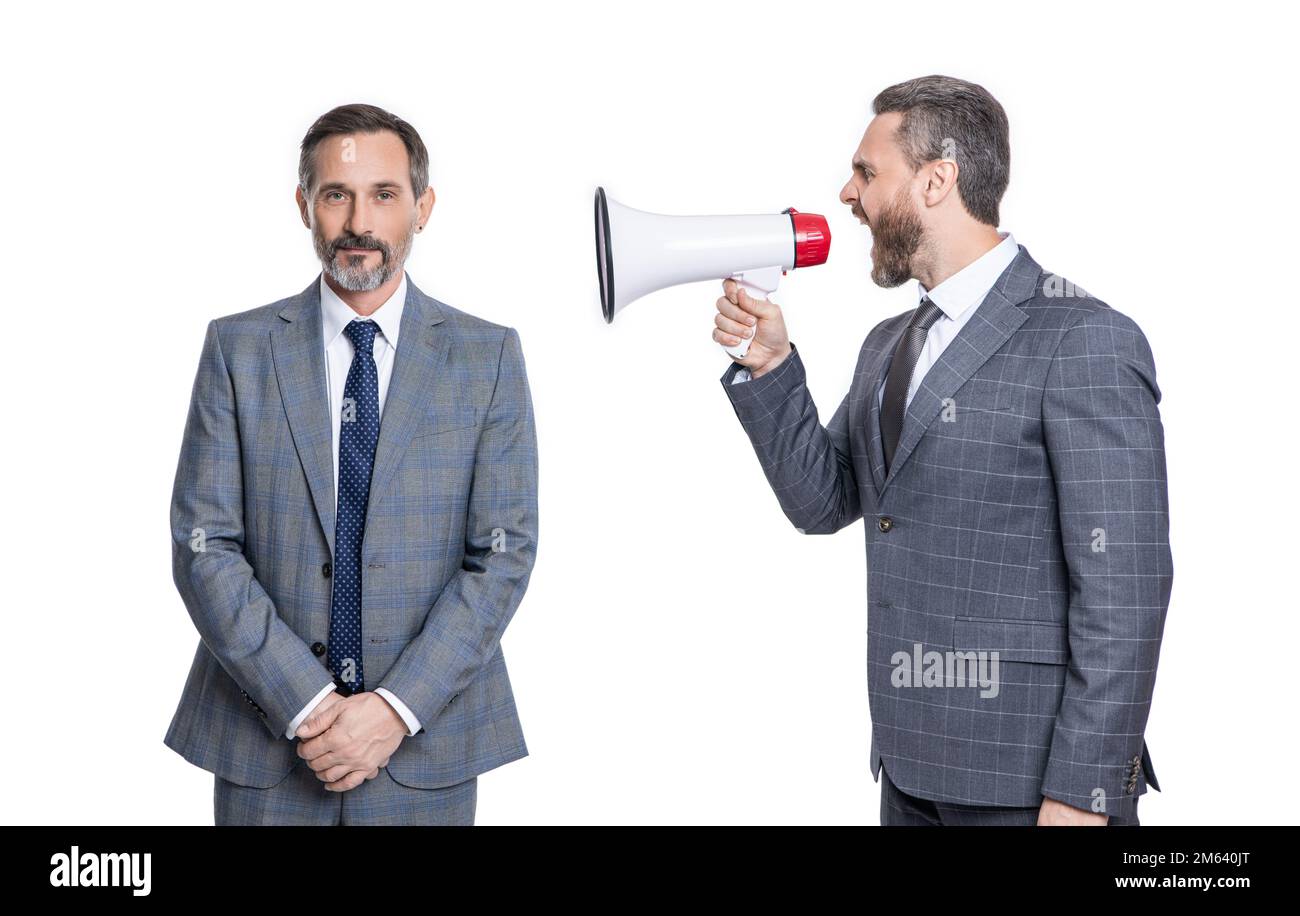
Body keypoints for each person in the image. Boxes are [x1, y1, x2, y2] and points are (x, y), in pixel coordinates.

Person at [714, 75, 1170, 826]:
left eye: (866, 173)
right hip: (909, 768)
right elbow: (823, 501)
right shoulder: (888, 344)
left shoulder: (1082, 338)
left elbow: (1127, 586)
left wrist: (1083, 794)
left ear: (936, 180)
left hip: (1029, 784)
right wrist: (770, 366)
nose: (845, 195)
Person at [164, 103, 538, 825]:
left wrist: (394, 711)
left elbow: (503, 555)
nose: (358, 220)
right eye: (337, 195)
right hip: (266, 747)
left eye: (384, 195)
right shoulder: (237, 351)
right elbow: (204, 545)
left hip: (424, 752)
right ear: (305, 206)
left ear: (422, 207)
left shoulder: (487, 358)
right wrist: (305, 702)